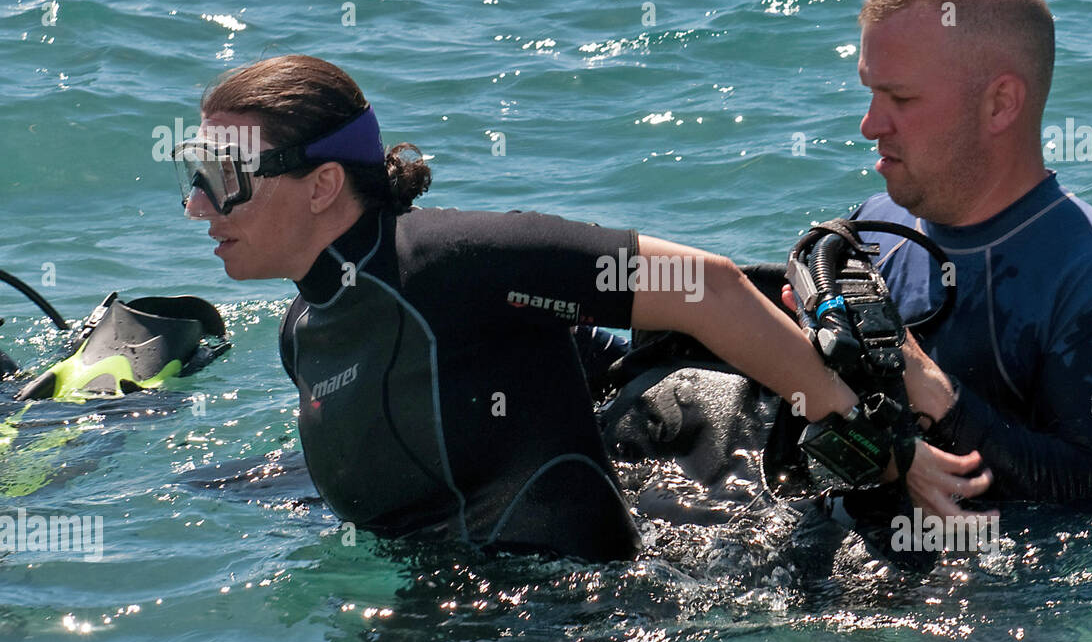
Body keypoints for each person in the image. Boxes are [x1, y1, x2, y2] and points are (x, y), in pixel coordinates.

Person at [171, 55, 983, 562]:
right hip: (441, 628)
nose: (199, 207)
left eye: (225, 175)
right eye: (193, 173)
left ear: (321, 185)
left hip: (585, 632)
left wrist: (871, 441)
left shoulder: (455, 262)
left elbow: (706, 287)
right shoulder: (303, 333)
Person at [836, 0, 1092, 519]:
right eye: (870, 93)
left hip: (1003, 590)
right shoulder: (872, 232)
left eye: (901, 99)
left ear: (1000, 104)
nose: (871, 125)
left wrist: (926, 385)